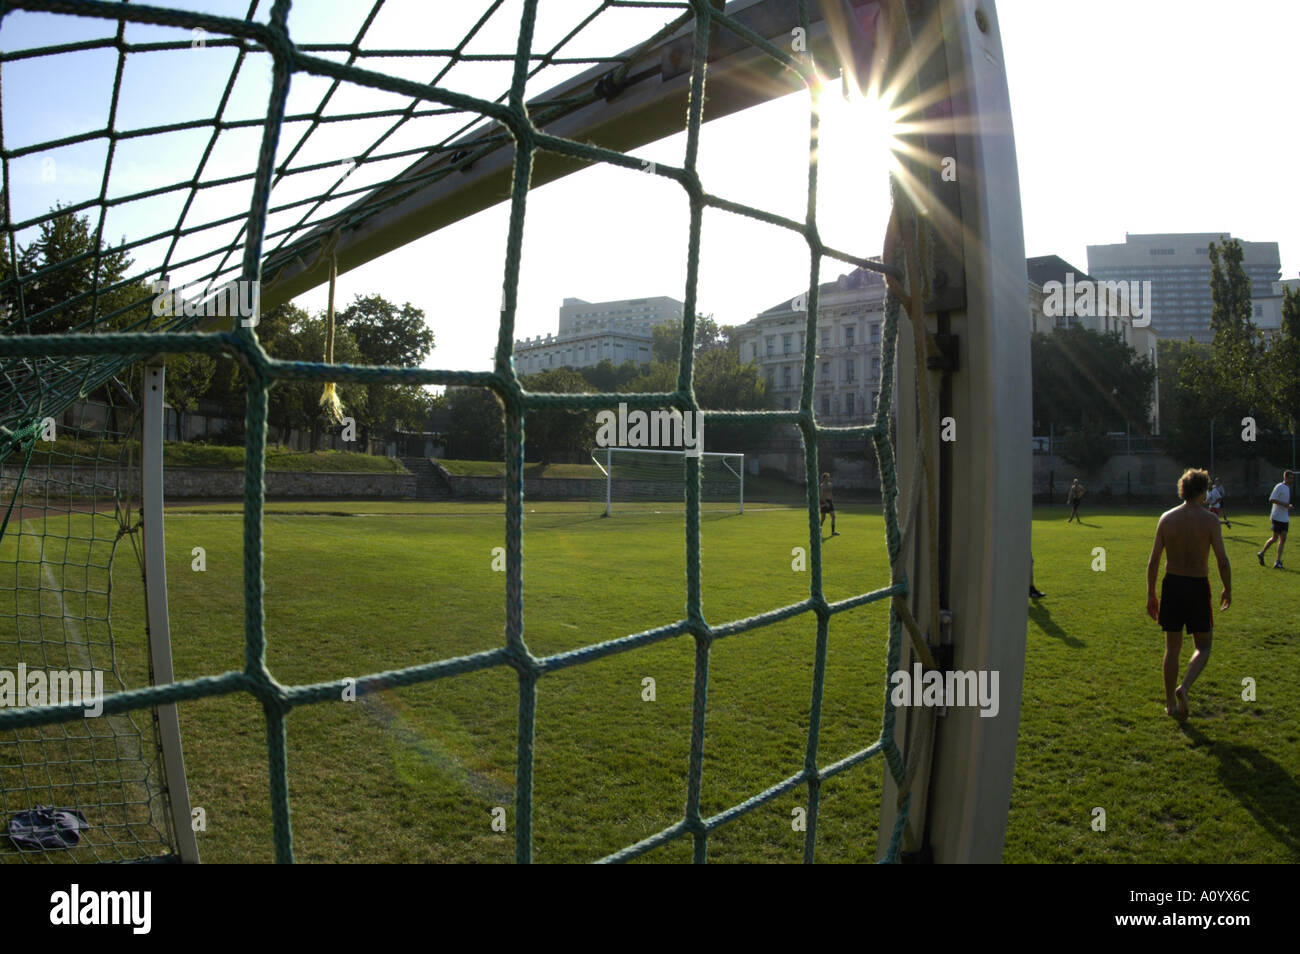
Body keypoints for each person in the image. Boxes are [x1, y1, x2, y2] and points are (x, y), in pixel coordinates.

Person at [1146, 468, 1230, 721]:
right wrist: (1228, 587)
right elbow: (1222, 560)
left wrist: (1151, 594)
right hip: (1197, 585)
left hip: (1172, 585)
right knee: (1203, 646)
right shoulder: (1210, 520)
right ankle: (1185, 687)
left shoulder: (1167, 518)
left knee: (1172, 648)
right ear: (1203, 491)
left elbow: (1153, 561)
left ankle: (1170, 703)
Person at [1257, 469, 1294, 569]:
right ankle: (1261, 553)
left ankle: (1277, 562)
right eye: (1290, 478)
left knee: (1283, 539)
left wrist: (1288, 506)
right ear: (1285, 477)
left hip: (1285, 517)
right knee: (1275, 538)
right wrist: (1286, 505)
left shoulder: (1288, 488)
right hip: (1277, 516)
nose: (1292, 480)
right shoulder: (1279, 486)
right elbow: (1271, 499)